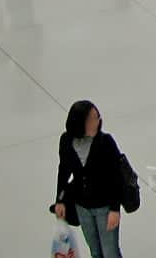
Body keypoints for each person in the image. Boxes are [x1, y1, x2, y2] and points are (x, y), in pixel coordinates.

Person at [53, 100, 128, 258]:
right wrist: (59, 199)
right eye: (92, 119)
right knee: (95, 251)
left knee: (110, 252)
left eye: (97, 117)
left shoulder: (105, 142)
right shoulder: (66, 141)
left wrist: (115, 209)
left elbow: (116, 177)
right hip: (82, 206)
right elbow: (64, 170)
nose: (98, 122)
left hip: (104, 206)